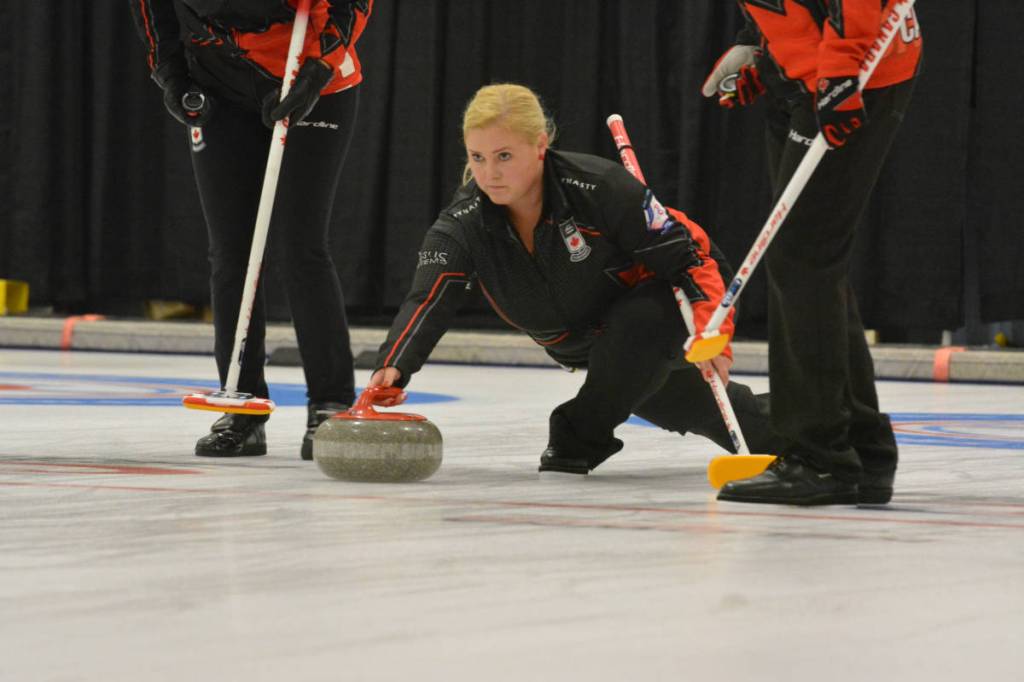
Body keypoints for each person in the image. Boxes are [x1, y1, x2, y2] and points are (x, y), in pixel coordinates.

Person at [367, 83, 786, 475]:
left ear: (539, 146)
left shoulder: (599, 188)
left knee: (638, 330)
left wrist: (716, 334)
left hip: (677, 304)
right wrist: (394, 365)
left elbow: (691, 261)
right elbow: (428, 298)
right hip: (597, 345)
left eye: (504, 156)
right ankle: (824, 425)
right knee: (713, 413)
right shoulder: (462, 225)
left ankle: (577, 435)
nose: (489, 173)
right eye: (477, 157)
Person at [129, 0, 374, 460]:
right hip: (219, 80)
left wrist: (318, 70)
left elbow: (350, 5)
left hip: (308, 74)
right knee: (231, 254)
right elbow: (153, 9)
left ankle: (330, 403)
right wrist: (173, 76)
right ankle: (243, 408)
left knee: (302, 246)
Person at [701, 1, 922, 504]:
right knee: (810, 263)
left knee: (802, 262)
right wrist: (757, 43)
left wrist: (842, 70)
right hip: (803, 72)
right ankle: (861, 453)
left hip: (855, 69)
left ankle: (820, 458)